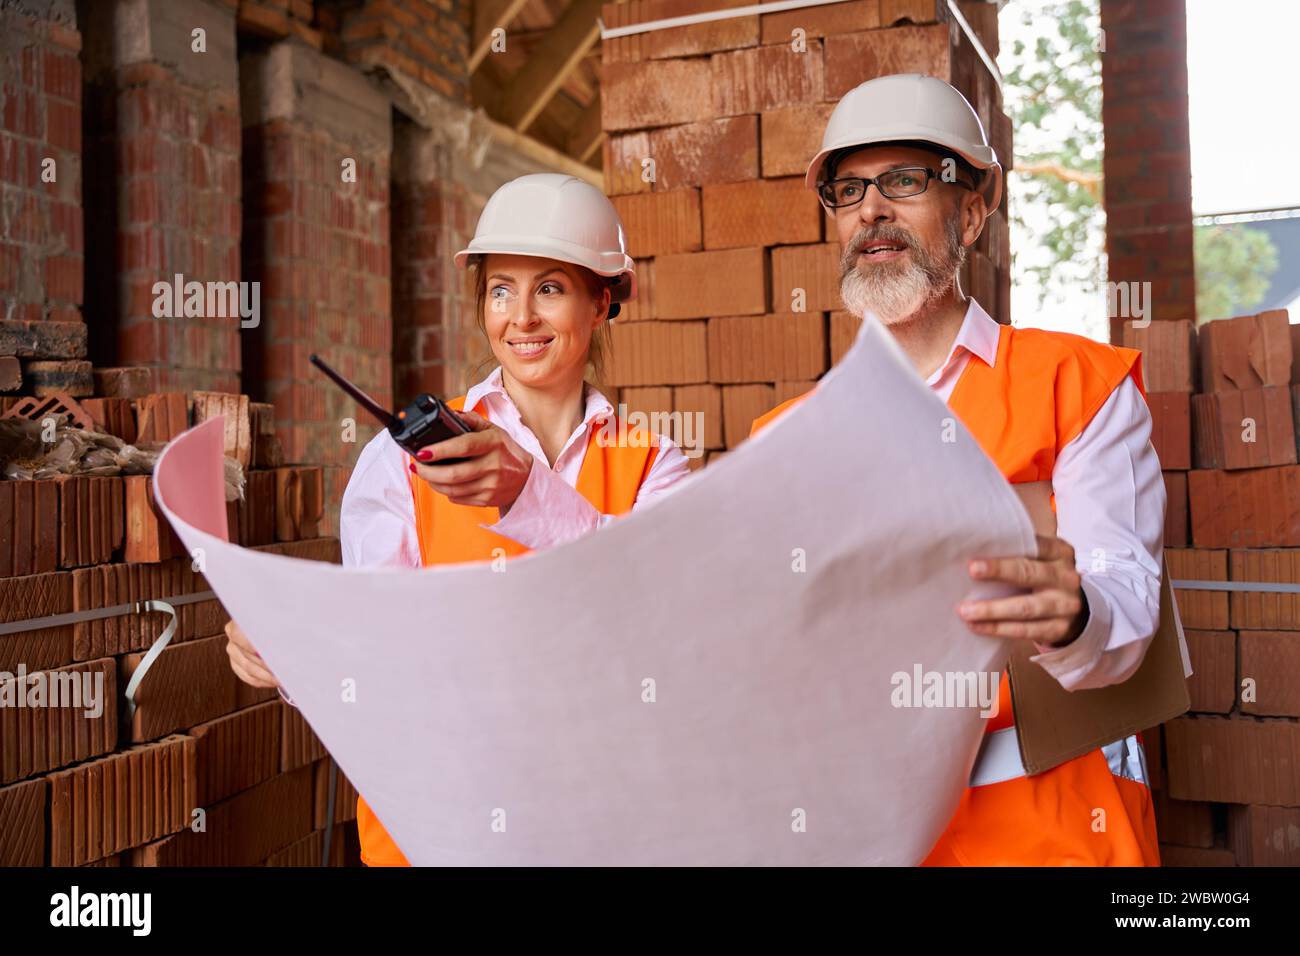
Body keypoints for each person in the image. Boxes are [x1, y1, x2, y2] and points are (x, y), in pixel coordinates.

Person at [752, 73, 1165, 866]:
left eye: (904, 181)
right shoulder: (787, 439)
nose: (872, 210)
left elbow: (1127, 612)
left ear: (971, 213)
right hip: (871, 827)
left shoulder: (1075, 385)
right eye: (848, 190)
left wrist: (1073, 615)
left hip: (1057, 813)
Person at [225, 173, 691, 866]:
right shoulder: (400, 461)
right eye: (500, 290)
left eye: (550, 288)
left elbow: (664, 635)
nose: (520, 317)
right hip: (436, 837)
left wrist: (528, 493)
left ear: (602, 301)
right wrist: (298, 654)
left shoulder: (653, 463)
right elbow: (380, 654)